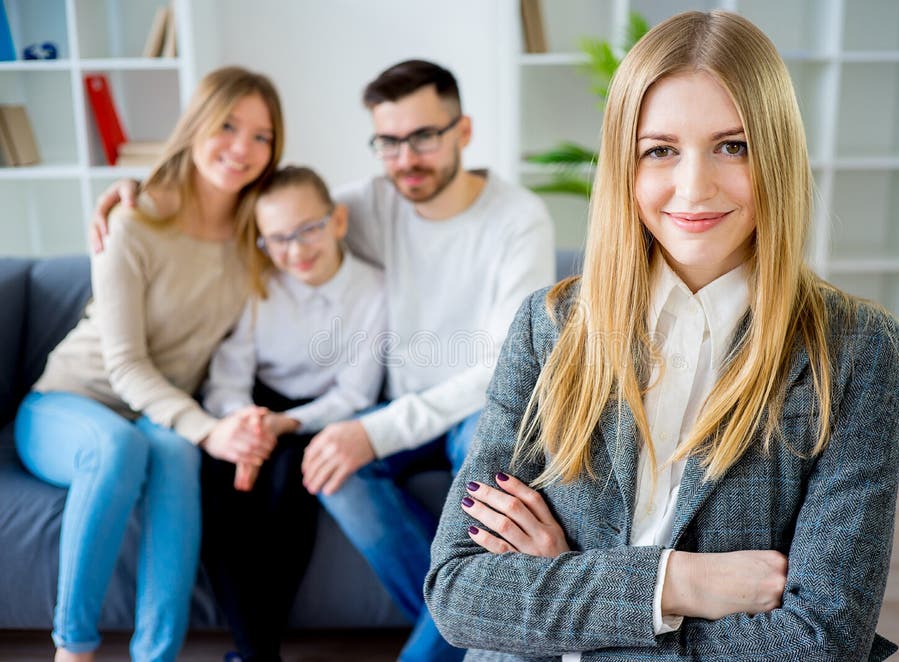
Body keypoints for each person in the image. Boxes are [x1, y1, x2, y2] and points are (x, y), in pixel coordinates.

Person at [426, 10, 899, 662]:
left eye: (731, 146)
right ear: (626, 164)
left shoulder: (855, 348)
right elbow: (460, 593)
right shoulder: (550, 326)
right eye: (660, 150)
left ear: (776, 156)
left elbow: (819, 640)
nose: (693, 186)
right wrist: (679, 583)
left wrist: (568, 593)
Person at [90, 60, 555, 662]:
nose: (405, 159)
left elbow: (499, 371)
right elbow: (278, 212)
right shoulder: (367, 203)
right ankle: (477, 620)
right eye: (388, 142)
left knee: (484, 468)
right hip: (392, 404)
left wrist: (372, 429)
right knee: (328, 467)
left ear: (463, 131)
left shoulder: (518, 219)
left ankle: (436, 644)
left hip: (475, 410)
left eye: (424, 137)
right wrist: (139, 190)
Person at [14, 66, 284, 662]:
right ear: (194, 128)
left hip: (156, 417)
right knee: (118, 448)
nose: (243, 147)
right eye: (229, 125)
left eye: (262, 136)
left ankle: (157, 656)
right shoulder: (133, 221)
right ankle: (74, 650)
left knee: (175, 452)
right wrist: (209, 429)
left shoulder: (253, 243)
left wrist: (228, 424)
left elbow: (323, 209)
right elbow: (126, 365)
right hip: (68, 402)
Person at [199, 165, 387, 662]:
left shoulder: (373, 290)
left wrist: (285, 425)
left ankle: (258, 648)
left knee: (293, 481)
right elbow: (228, 378)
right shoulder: (258, 285)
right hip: (254, 407)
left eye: (309, 230)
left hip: (320, 414)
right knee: (223, 489)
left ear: (338, 221)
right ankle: (255, 652)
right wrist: (248, 426)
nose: (296, 251)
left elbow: (355, 393)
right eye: (278, 239)